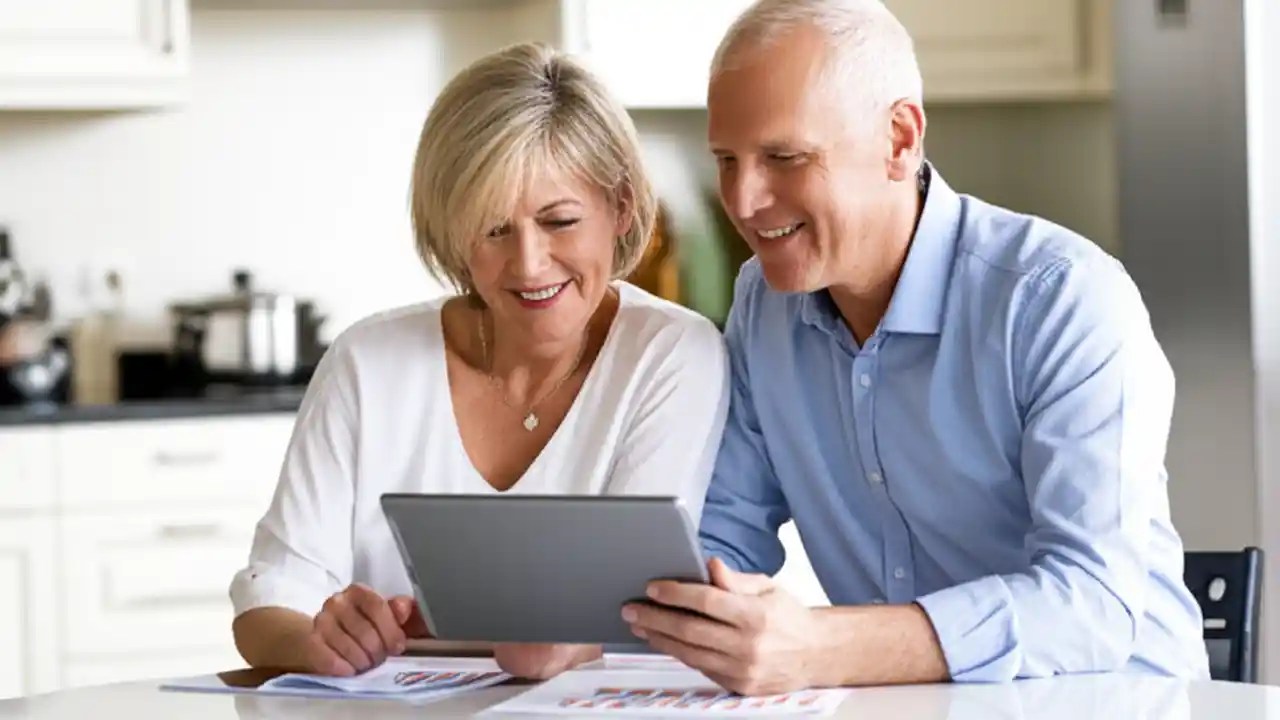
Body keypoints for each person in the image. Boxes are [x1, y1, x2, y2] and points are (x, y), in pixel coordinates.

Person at [621, 0, 1209, 694]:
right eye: (727, 160)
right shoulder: (762, 306)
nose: (744, 201)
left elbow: (1091, 608)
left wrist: (824, 646)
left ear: (899, 140)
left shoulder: (1061, 299)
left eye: (784, 157)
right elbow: (721, 537)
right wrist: (605, 604)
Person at [229, 42, 729, 681]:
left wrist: (557, 641)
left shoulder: (670, 354)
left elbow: (631, 604)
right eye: (494, 229)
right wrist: (317, 641)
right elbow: (269, 599)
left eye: (560, 221)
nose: (528, 263)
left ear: (622, 207)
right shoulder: (367, 362)